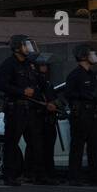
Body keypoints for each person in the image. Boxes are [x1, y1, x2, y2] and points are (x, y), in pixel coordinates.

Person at [0, 34, 42, 187]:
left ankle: (33, 174)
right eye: (24, 45)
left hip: (30, 108)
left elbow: (37, 82)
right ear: (17, 48)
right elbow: (1, 85)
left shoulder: (30, 64)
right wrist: (21, 91)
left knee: (35, 142)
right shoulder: (7, 65)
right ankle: (9, 175)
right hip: (15, 108)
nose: (27, 48)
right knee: (11, 143)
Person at [64, 43, 97, 185]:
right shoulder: (75, 75)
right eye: (91, 53)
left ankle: (95, 177)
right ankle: (74, 177)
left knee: (94, 147)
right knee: (77, 147)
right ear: (83, 56)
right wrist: (85, 95)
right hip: (81, 115)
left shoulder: (93, 75)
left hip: (94, 115)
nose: (94, 56)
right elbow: (69, 94)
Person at [29, 53, 61, 184]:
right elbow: (33, 99)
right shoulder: (33, 80)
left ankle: (50, 173)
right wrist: (46, 105)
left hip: (49, 119)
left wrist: (56, 104)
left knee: (48, 148)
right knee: (39, 149)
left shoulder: (45, 80)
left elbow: (53, 96)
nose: (45, 67)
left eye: (45, 64)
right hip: (39, 118)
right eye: (41, 64)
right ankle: (40, 175)